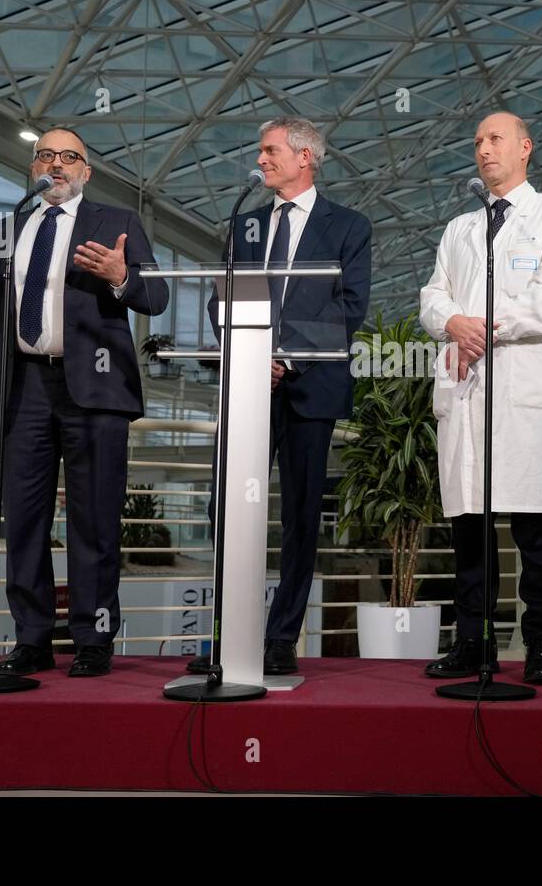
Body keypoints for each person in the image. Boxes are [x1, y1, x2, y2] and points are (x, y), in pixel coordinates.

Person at [0, 127, 169, 677]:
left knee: (94, 518)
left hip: (95, 391)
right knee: (22, 519)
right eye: (46, 155)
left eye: (69, 156)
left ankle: (93, 637)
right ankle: (31, 639)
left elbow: (157, 296)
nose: (57, 163)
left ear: (86, 171)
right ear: (33, 168)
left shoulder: (116, 223)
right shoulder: (6, 230)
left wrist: (122, 276)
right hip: (20, 388)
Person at [196, 116, 372, 676]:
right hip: (247, 390)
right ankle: (230, 636)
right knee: (224, 507)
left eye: (270, 150)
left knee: (299, 515)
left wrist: (283, 357)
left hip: (308, 390)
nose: (262, 160)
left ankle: (279, 638)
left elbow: (348, 307)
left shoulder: (349, 225)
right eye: (262, 150)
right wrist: (252, 359)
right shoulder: (245, 223)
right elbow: (218, 301)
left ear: (305, 157)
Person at [419, 111, 542, 685]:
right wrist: (452, 323)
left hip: (522, 391)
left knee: (534, 527)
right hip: (466, 390)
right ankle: (474, 644)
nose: (484, 150)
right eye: (478, 142)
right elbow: (430, 298)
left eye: (495, 140)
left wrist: (475, 329)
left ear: (525, 147)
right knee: (470, 526)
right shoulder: (460, 228)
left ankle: (539, 645)